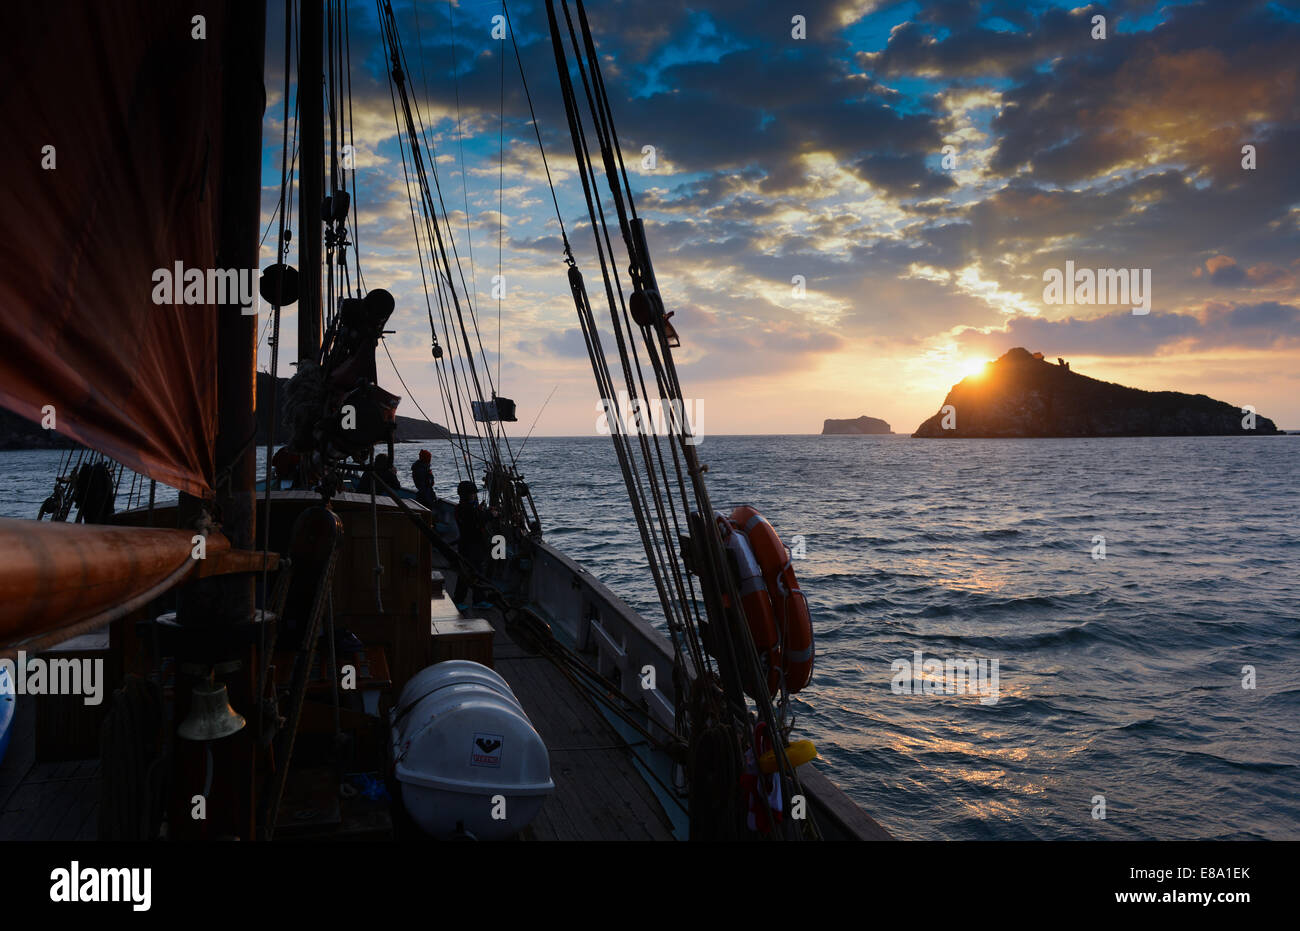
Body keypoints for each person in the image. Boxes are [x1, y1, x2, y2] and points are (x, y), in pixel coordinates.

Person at [452, 480, 489, 606]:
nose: (474, 495)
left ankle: (463, 599)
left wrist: (479, 510)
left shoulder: (460, 508)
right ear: (467, 495)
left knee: (467, 572)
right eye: (472, 493)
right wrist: (490, 514)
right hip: (473, 545)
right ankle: (474, 600)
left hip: (465, 544)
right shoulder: (469, 510)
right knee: (474, 572)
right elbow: (477, 522)